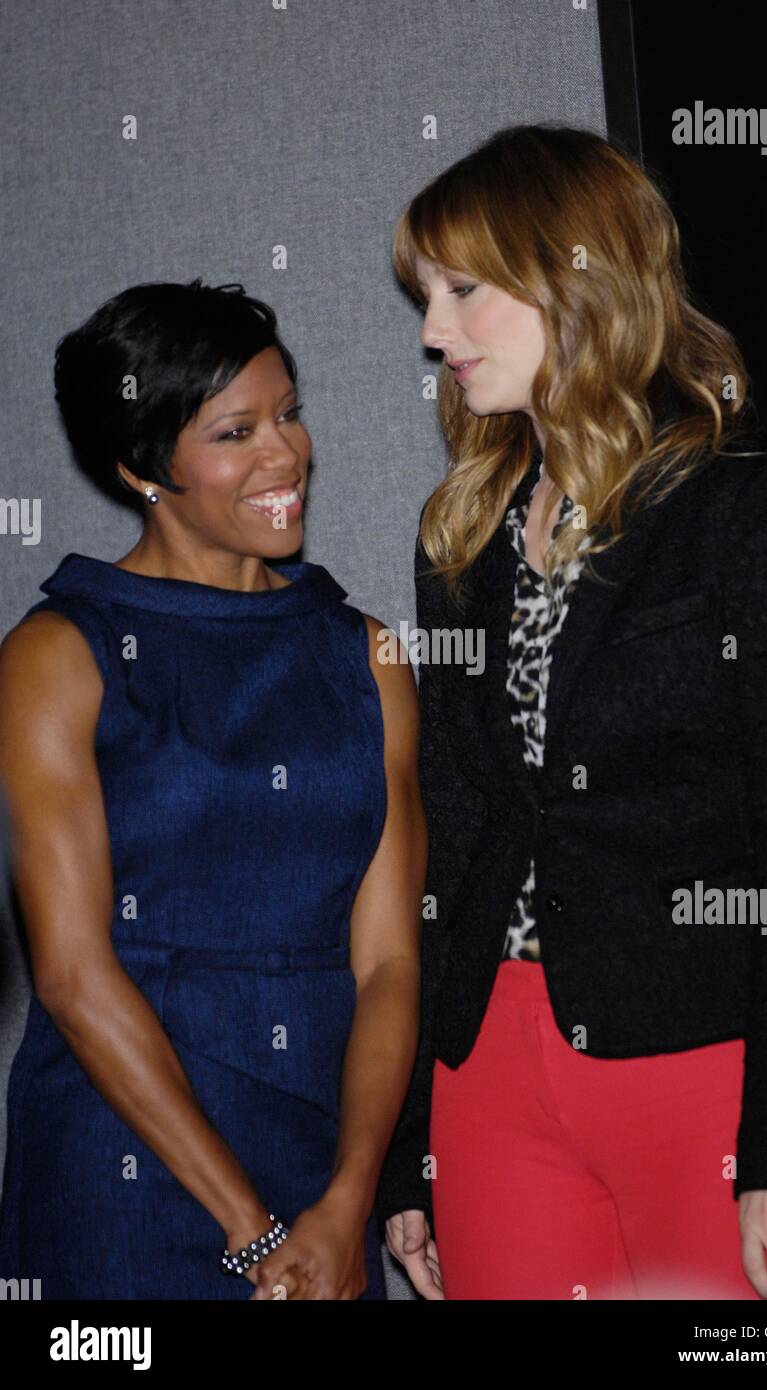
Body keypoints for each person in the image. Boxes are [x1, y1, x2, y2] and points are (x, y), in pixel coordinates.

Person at [375, 124, 767, 1301]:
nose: (433, 332)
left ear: (572, 276)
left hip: (702, 1068)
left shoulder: (743, 514)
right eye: (424, 296)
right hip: (491, 1075)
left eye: (462, 289)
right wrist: (411, 1157)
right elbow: (448, 845)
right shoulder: (462, 540)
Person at [0, 280, 426, 1299]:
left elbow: (388, 963)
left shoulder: (364, 654)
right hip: (121, 1163)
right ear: (141, 468)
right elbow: (69, 971)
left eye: (288, 413)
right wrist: (249, 1225)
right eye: (236, 432)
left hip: (323, 1158)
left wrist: (345, 1201)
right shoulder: (59, 654)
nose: (285, 454)